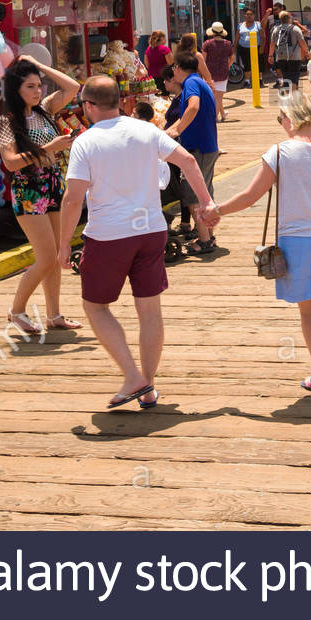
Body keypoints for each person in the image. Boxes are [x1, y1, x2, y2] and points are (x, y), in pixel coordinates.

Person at [58, 75, 217, 410]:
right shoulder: (146, 130)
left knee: (96, 307)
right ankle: (147, 386)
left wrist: (62, 245)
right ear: (121, 101)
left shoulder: (86, 142)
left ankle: (133, 376)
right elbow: (188, 161)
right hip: (151, 231)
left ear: (88, 106)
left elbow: (73, 201)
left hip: (108, 236)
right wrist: (206, 204)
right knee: (149, 310)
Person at [214, 91, 311, 398]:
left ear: (290, 118)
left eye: (280, 118)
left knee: (309, 312)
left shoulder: (280, 153)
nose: (281, 123)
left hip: (297, 243)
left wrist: (217, 210)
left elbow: (250, 196)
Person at [0, 56, 82, 335]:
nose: (37, 91)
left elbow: (73, 87)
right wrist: (49, 148)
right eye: (30, 86)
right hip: (28, 188)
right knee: (45, 257)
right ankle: (16, 310)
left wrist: (39, 66)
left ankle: (54, 314)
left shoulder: (43, 110)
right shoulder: (7, 122)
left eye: (39, 85)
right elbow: (11, 163)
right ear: (15, 90)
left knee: (55, 255)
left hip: (53, 182)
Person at [166, 52, 220, 256]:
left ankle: (205, 240)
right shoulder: (199, 80)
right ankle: (208, 235)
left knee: (192, 192)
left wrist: (176, 130)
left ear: (178, 68)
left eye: (173, 69)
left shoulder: (190, 83)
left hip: (199, 147)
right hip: (206, 145)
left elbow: (194, 106)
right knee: (204, 191)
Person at [202, 22, 234, 122]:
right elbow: (232, 58)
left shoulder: (207, 44)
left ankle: (222, 114)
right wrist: (228, 66)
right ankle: (215, 117)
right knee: (219, 96)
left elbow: (203, 59)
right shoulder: (228, 44)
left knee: (214, 96)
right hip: (223, 72)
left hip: (209, 72)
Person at [269, 11, 305, 90]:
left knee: (286, 78)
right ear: (289, 18)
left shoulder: (276, 29)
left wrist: (270, 55)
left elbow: (272, 44)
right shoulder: (295, 29)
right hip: (294, 57)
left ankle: (287, 98)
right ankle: (293, 99)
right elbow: (302, 42)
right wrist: (307, 52)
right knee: (294, 79)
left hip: (281, 57)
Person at [236, 9, 263, 84]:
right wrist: (234, 47)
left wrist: (262, 48)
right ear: (245, 16)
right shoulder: (240, 25)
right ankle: (247, 81)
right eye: (247, 14)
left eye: (251, 14)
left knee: (258, 64)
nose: (249, 16)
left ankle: (259, 80)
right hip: (243, 48)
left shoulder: (258, 24)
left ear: (254, 16)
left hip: (256, 47)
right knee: (246, 64)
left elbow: (262, 36)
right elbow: (237, 36)